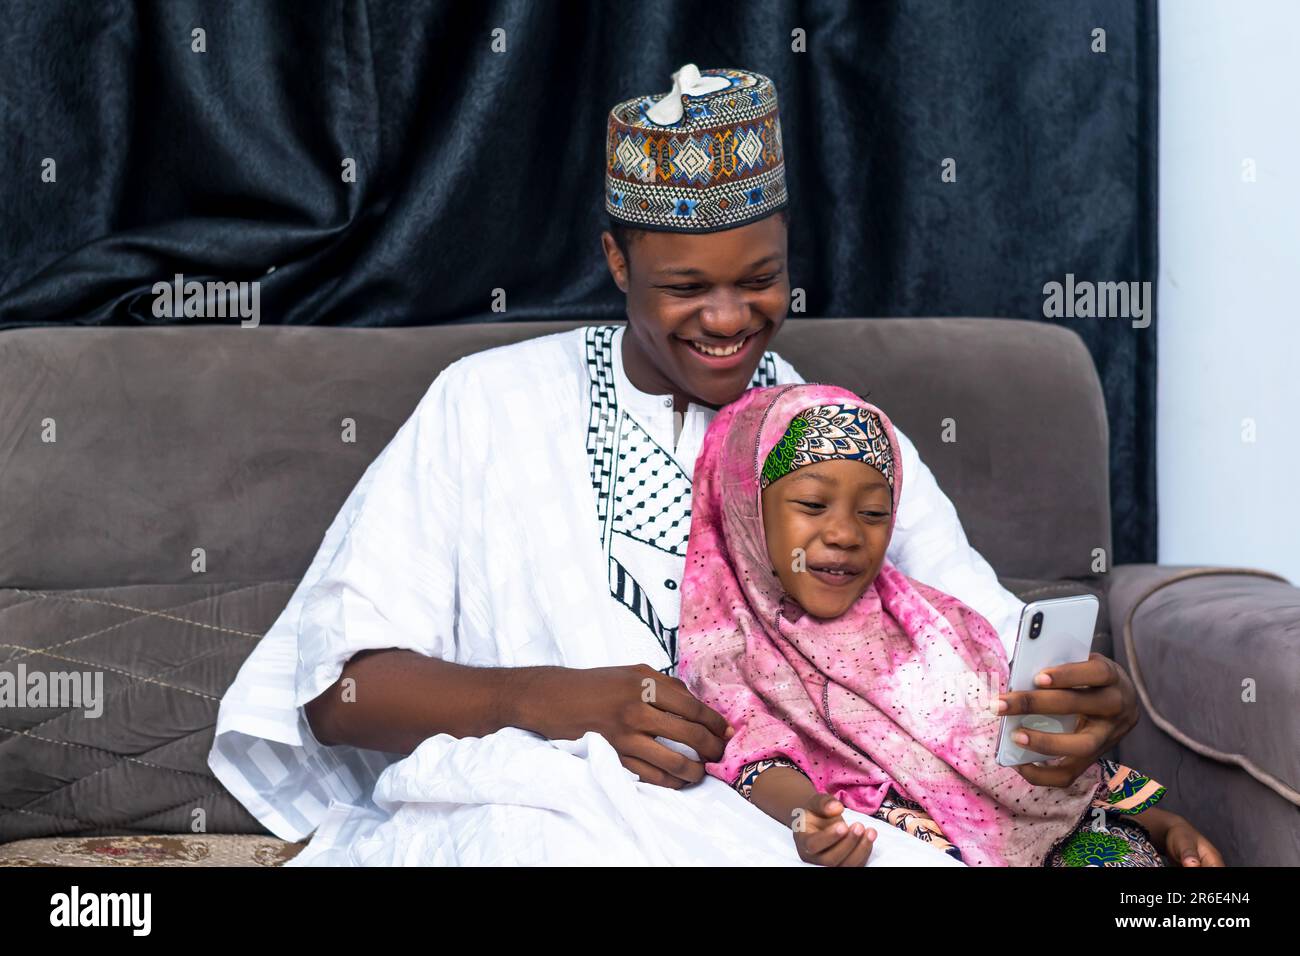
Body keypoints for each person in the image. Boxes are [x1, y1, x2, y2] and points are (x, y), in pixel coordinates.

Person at [207, 64, 1141, 864]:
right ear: (617, 262)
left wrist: (1073, 714)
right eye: (687, 287)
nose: (729, 318)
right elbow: (339, 694)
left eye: (761, 279)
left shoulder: (842, 442)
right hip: (546, 819)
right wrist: (546, 699)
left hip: (792, 835)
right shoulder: (487, 404)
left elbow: (988, 651)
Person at [677, 383, 1224, 867]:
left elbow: (1027, 754)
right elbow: (750, 752)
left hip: (1051, 834)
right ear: (746, 507)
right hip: (904, 837)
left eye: (872, 513)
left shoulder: (934, 620)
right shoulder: (731, 645)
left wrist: (1155, 821)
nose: (845, 533)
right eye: (814, 503)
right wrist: (806, 814)